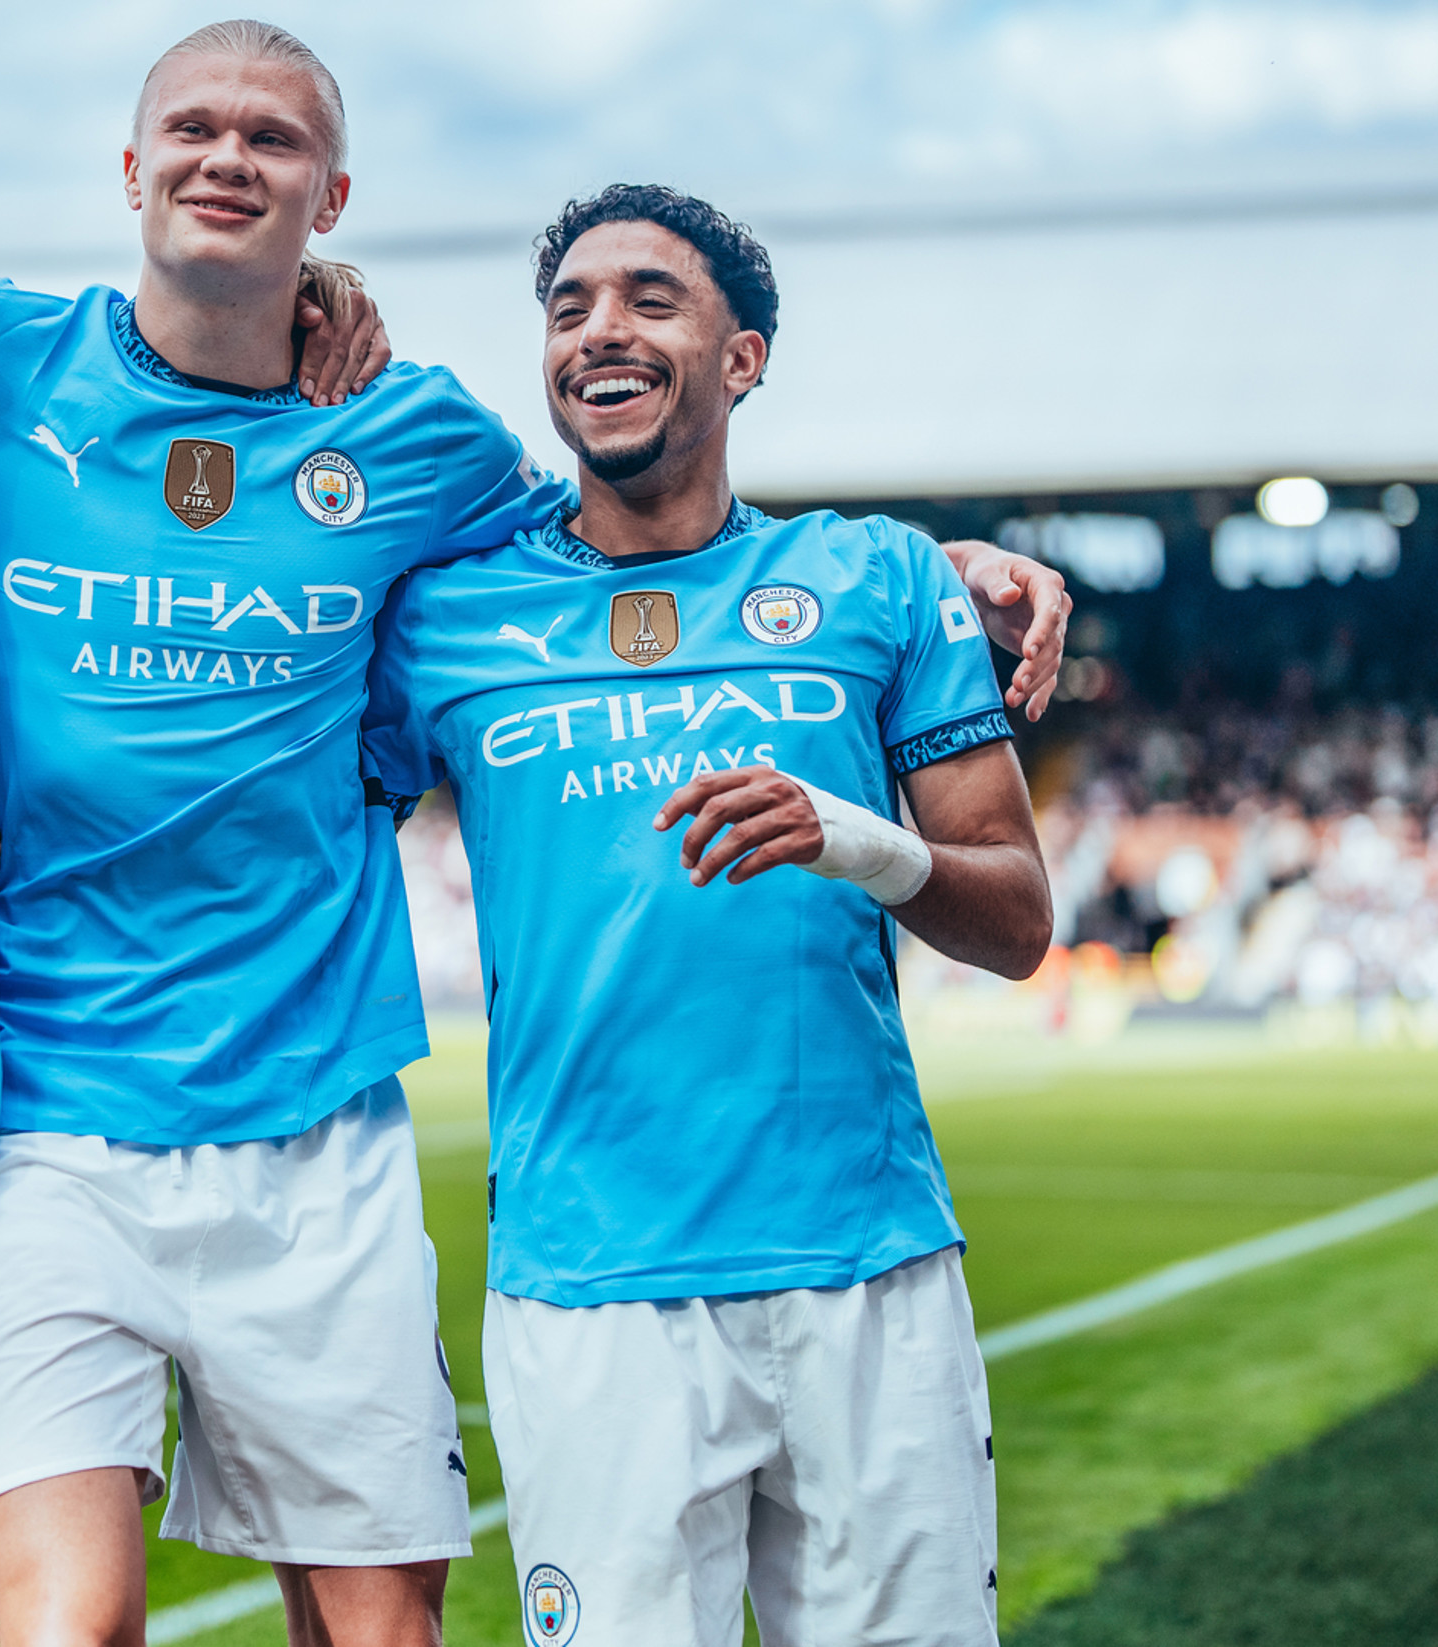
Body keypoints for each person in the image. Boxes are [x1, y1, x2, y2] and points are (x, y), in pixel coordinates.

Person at [0, 24, 1070, 1647]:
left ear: (331, 198)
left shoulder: (424, 444)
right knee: (68, 1624)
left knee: (384, 1629)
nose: (224, 156)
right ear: (129, 171)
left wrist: (912, 569)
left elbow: (630, 541)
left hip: (316, 1128)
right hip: (43, 1124)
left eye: (271, 137)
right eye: (190, 126)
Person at [364, 184, 1051, 1647]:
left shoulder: (877, 579)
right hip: (589, 1285)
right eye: (569, 308)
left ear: (742, 360)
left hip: (866, 1270)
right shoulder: (442, 616)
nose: (600, 330)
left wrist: (858, 840)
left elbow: (1018, 918)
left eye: (649, 300)